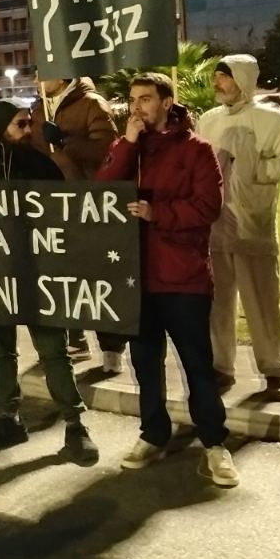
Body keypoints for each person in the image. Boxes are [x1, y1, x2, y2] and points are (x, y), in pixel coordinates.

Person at [96, 73, 238, 489]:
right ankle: (153, 434)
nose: (137, 107)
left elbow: (208, 206)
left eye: (145, 99)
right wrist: (127, 145)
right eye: (132, 100)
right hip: (137, 276)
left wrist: (158, 214)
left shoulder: (197, 150)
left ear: (166, 102)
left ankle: (214, 442)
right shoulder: (129, 147)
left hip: (182, 276)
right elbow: (103, 189)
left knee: (197, 364)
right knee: (145, 362)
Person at [0, 100, 99, 463]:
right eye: (20, 124)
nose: (28, 130)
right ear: (0, 125)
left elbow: (61, 212)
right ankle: (8, 417)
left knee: (54, 352)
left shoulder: (40, 164)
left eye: (30, 123)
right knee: (0, 351)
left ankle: (75, 423)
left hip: (36, 274)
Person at [197, 55, 280, 401]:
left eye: (225, 76)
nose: (217, 83)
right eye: (216, 76)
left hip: (253, 226)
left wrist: (258, 170)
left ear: (243, 79)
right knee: (216, 304)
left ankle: (274, 371)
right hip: (214, 227)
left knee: (262, 302)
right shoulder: (209, 120)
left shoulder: (272, 120)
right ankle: (220, 367)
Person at [31, 76, 125, 370]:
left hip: (87, 201)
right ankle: (75, 337)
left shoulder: (92, 104)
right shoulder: (40, 108)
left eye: (42, 73)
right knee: (63, 275)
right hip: (52, 202)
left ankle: (112, 348)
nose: (36, 79)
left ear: (61, 74)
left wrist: (65, 142)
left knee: (98, 276)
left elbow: (109, 149)